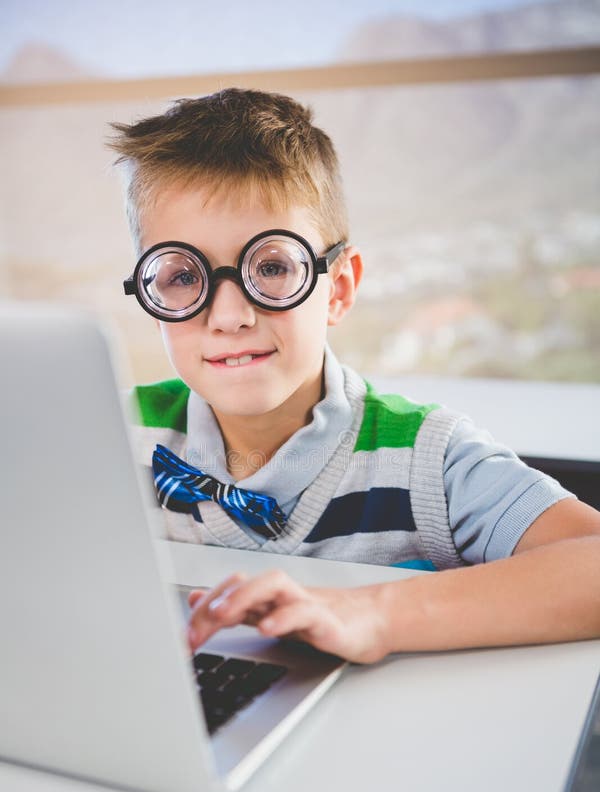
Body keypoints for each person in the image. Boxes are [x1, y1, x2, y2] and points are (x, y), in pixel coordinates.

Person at [107, 88, 600, 665]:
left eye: (272, 267)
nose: (229, 316)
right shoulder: (111, 431)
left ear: (338, 288)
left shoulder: (424, 458)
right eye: (182, 277)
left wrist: (374, 612)